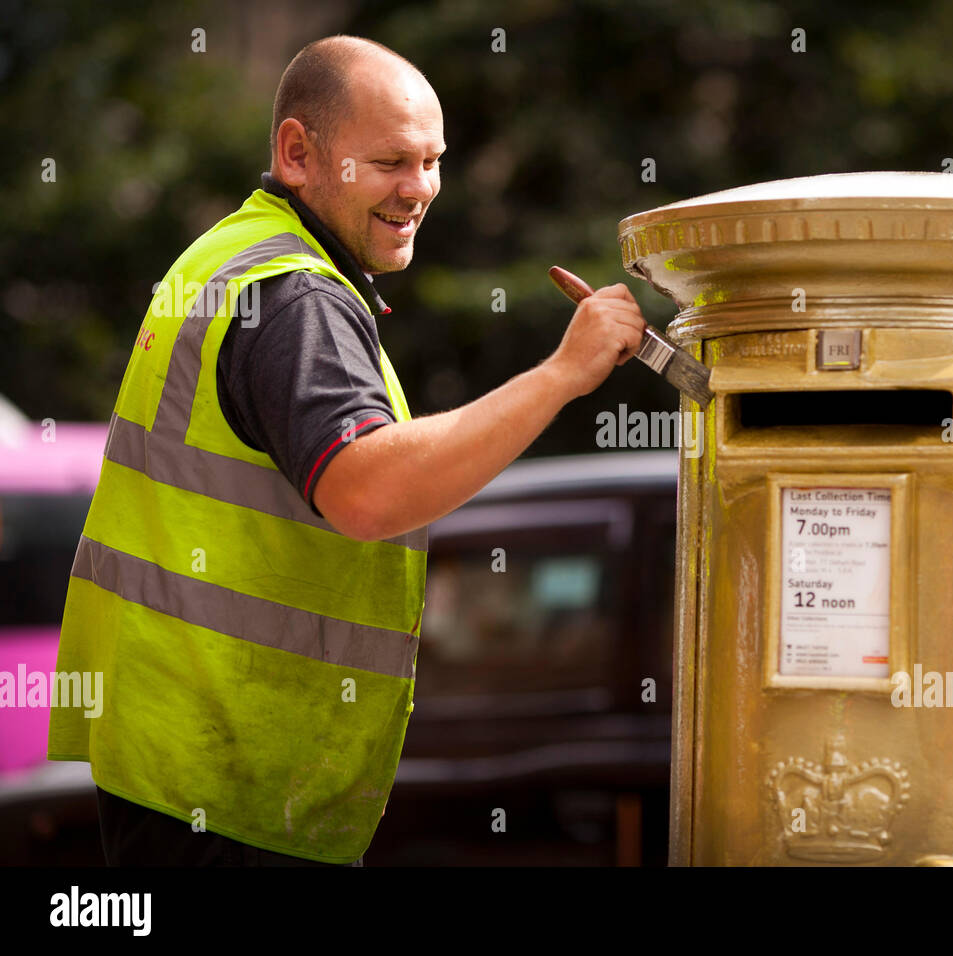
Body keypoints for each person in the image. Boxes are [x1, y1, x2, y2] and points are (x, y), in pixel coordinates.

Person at [48, 35, 647, 866]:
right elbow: (368, 493)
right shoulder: (296, 299)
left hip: (182, 763)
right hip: (231, 783)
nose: (421, 189)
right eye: (392, 161)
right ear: (298, 153)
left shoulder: (230, 257)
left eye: (434, 161)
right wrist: (562, 375)